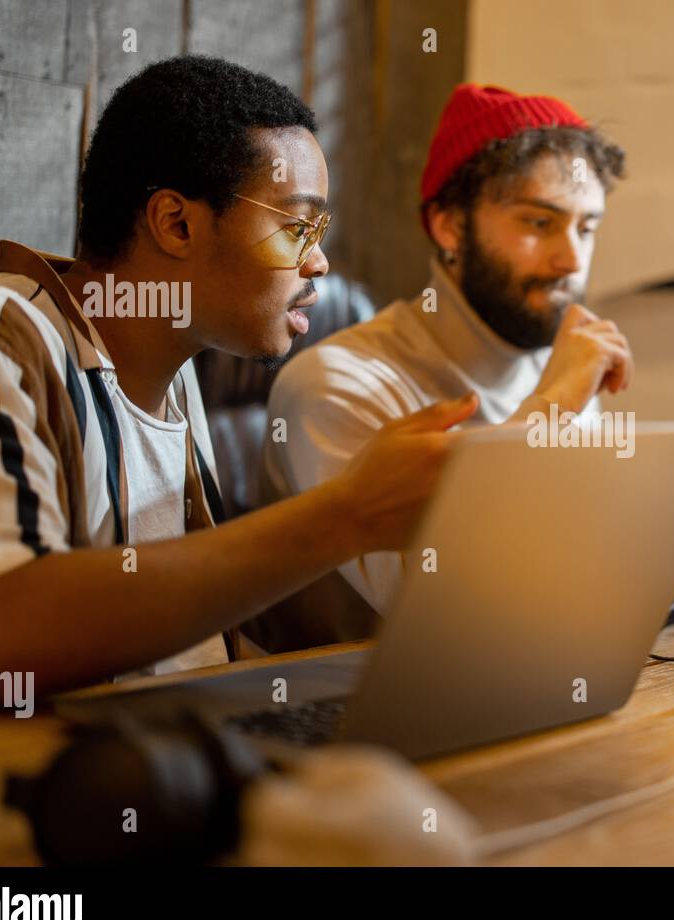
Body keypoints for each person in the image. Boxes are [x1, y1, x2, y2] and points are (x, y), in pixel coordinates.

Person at [0, 55, 474, 694]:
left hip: (176, 746)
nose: (320, 262)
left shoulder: (178, 375)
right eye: (297, 227)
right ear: (176, 223)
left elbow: (193, 656)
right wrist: (346, 515)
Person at [260, 84, 632, 639]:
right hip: (350, 715)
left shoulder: (562, 380)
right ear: (449, 225)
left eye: (587, 228)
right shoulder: (335, 386)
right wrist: (552, 409)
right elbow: (444, 610)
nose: (571, 261)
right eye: (538, 223)